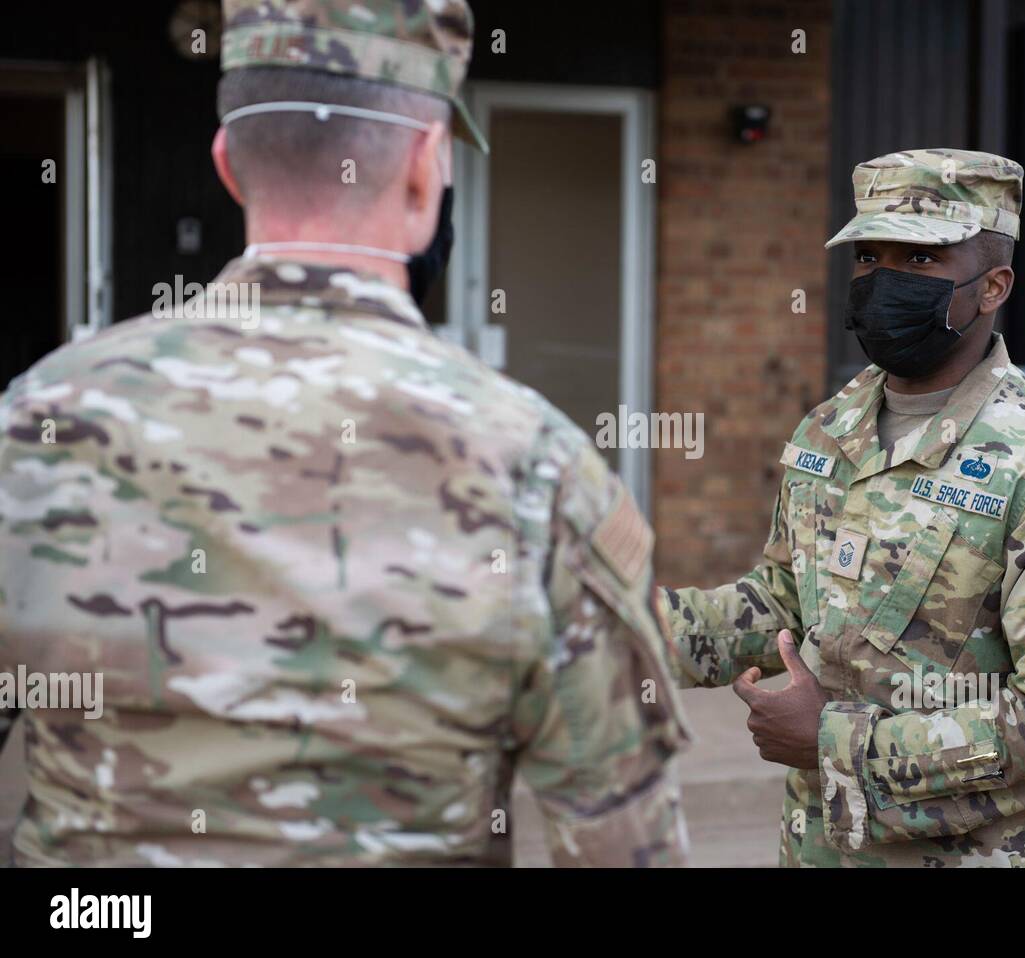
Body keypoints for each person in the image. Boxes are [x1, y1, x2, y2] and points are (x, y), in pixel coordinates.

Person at [0, 0, 689, 867]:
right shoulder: (535, 466)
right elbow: (622, 838)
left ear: (227, 165)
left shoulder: (36, 423)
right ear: (426, 165)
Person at [664, 149, 1025, 867]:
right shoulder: (832, 427)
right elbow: (786, 604)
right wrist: (619, 630)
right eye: (869, 256)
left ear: (992, 287)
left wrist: (834, 742)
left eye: (918, 259)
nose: (883, 280)